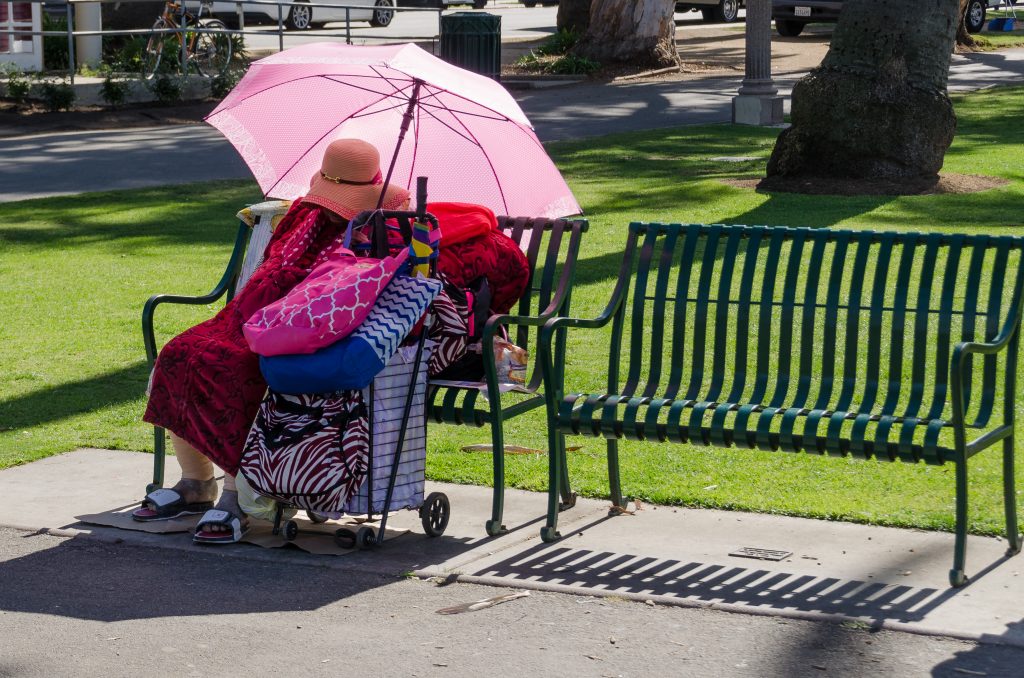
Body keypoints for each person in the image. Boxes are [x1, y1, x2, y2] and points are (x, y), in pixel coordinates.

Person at [135, 138, 410, 543]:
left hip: (315, 322)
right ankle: (196, 483)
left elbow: (366, 287)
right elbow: (274, 264)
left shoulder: (386, 224)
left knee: (235, 369)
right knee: (180, 353)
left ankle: (237, 497)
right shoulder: (303, 212)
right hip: (257, 314)